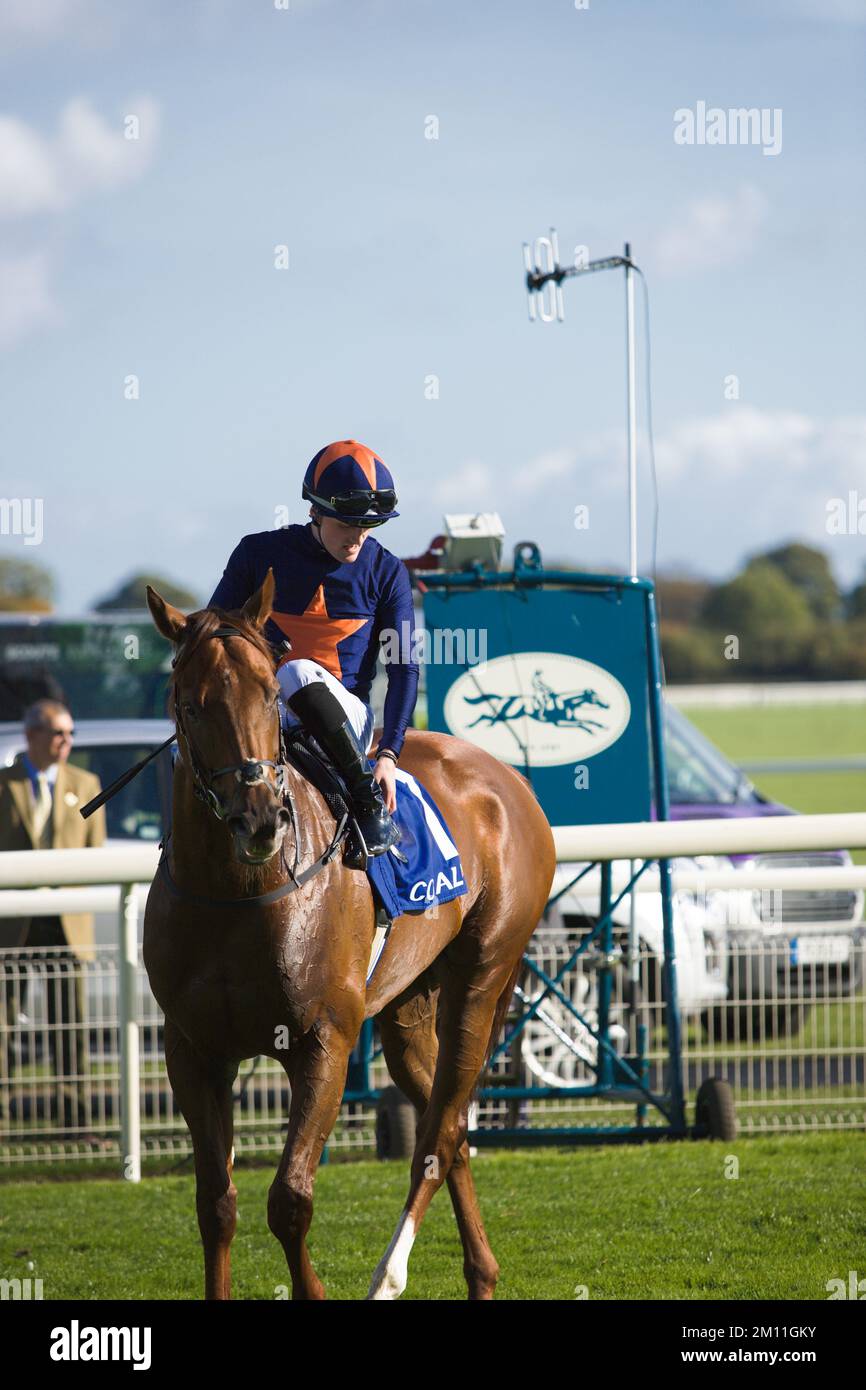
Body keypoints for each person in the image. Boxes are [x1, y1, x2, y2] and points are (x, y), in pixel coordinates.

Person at [210, 440, 419, 865]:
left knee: (298, 673)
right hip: (267, 716)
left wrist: (389, 755)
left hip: (347, 723)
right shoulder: (257, 553)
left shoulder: (388, 571)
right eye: (346, 523)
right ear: (315, 512)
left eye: (368, 525)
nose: (357, 536)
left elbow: (404, 670)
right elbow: (215, 637)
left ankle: (365, 800)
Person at [0, 700, 106, 1136]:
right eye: (58, 732)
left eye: (70, 733)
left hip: (68, 924)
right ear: (32, 735)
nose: (66, 741)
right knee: (2, 1028)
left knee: (71, 1027)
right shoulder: (4, 784)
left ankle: (75, 1123)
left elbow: (94, 856)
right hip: (12, 925)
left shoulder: (85, 782)